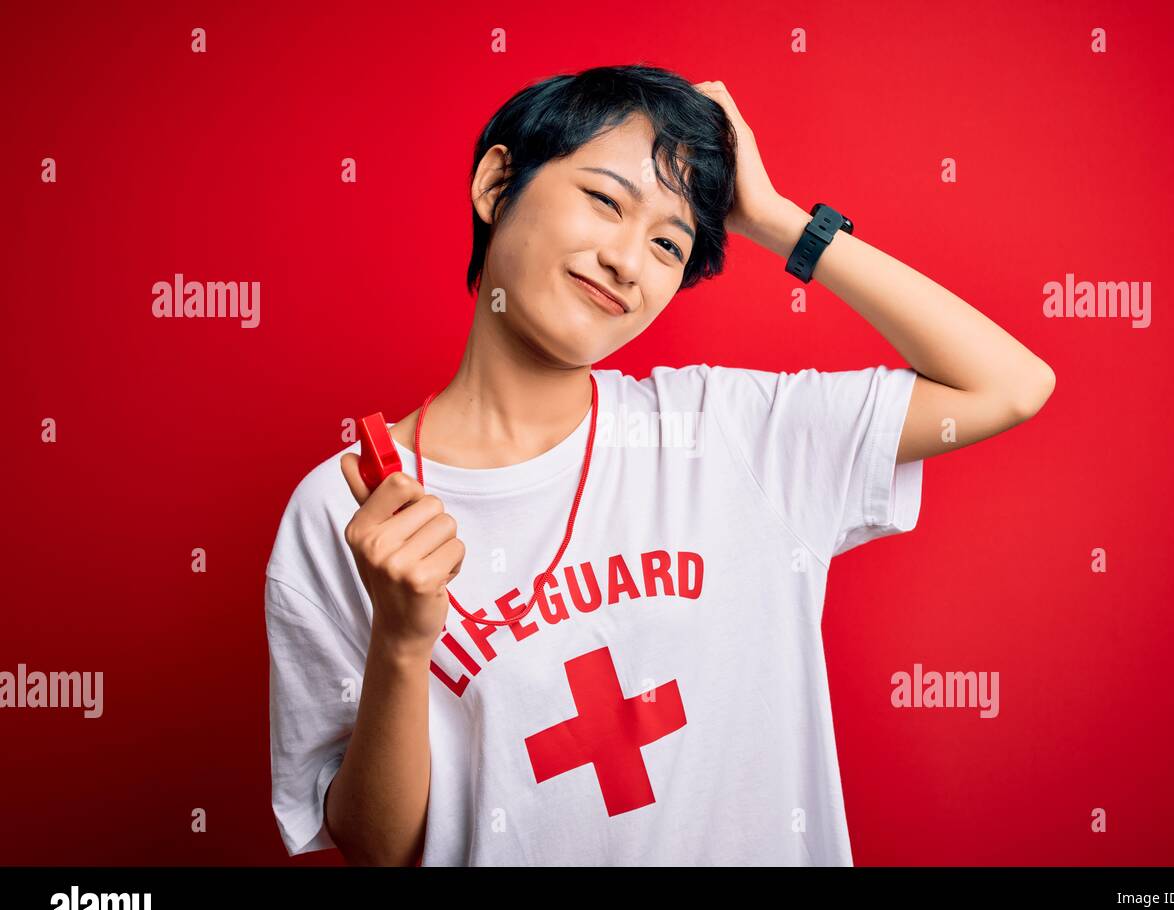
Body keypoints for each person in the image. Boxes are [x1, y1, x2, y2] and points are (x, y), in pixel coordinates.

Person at [264, 64, 1055, 866]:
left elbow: (1009, 386)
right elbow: (379, 848)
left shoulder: (728, 433)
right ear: (497, 183)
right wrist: (401, 642)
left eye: (669, 243)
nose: (627, 262)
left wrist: (784, 223)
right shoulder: (351, 506)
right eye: (605, 201)